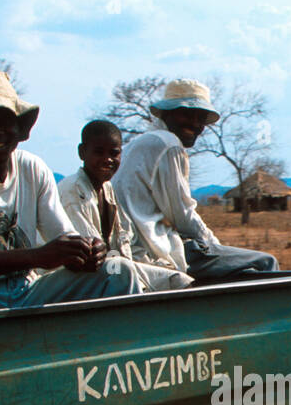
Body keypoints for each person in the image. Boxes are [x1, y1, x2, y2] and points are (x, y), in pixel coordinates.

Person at [0, 69, 143, 318]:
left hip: (27, 294)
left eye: (3, 122)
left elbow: (63, 237)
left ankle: (116, 352)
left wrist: (87, 250)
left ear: (17, 129)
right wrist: (36, 256)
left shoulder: (32, 168)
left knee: (119, 270)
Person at [112, 79, 279, 285]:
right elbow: (182, 215)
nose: (195, 124)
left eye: (201, 118)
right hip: (155, 249)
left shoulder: (138, 144)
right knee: (266, 263)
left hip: (134, 246)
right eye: (187, 114)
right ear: (167, 113)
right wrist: (214, 245)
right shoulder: (168, 144)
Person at [57, 120, 194, 292]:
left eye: (114, 154)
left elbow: (125, 245)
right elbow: (92, 257)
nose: (107, 160)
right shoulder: (73, 191)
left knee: (176, 278)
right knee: (128, 274)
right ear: (82, 152)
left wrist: (154, 266)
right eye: (99, 152)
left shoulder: (107, 189)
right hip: (79, 278)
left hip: (111, 269)